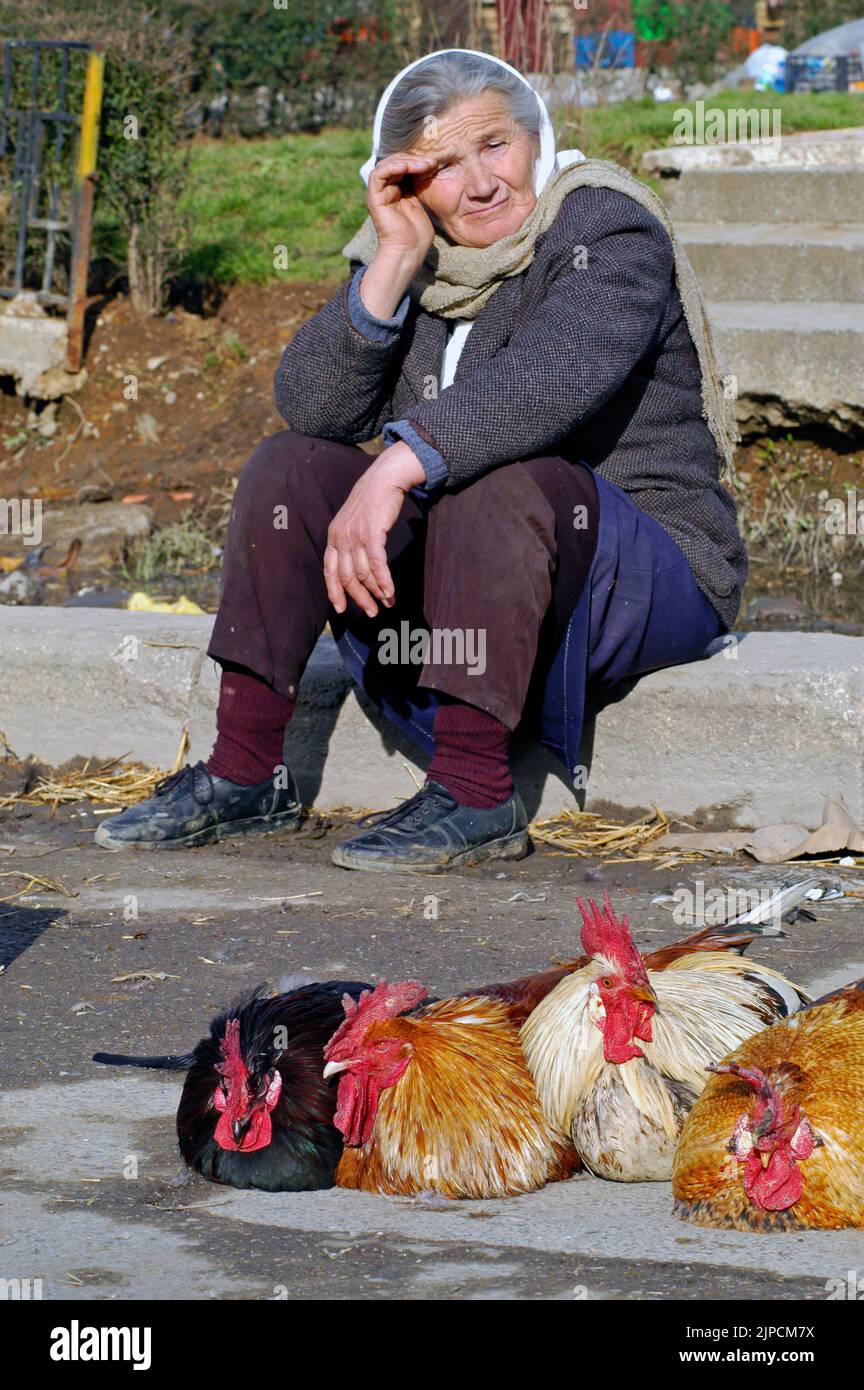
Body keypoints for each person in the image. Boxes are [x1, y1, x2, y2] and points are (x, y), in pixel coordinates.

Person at [96, 49, 747, 873]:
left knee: (501, 476)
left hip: (642, 572)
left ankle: (475, 795)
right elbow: (315, 406)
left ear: (537, 140)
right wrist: (393, 262)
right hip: (485, 587)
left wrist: (399, 463)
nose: (480, 183)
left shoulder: (606, 231)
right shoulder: (423, 258)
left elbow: (548, 381)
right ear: (404, 182)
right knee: (292, 467)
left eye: (496, 146)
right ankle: (243, 774)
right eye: (442, 166)